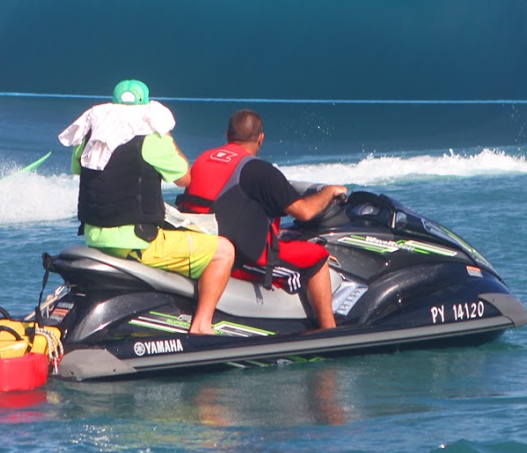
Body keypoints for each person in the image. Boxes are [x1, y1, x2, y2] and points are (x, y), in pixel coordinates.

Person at [58, 79, 235, 335]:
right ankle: (202, 325)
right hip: (136, 242)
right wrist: (168, 138)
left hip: (96, 237)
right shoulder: (151, 140)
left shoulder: (90, 137)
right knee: (223, 251)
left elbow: (79, 168)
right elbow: (184, 178)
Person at [177, 109, 347, 330]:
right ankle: (328, 333)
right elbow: (304, 212)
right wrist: (329, 191)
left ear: (227, 135)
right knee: (318, 257)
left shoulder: (203, 159)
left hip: (198, 246)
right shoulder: (261, 172)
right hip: (235, 259)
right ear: (261, 139)